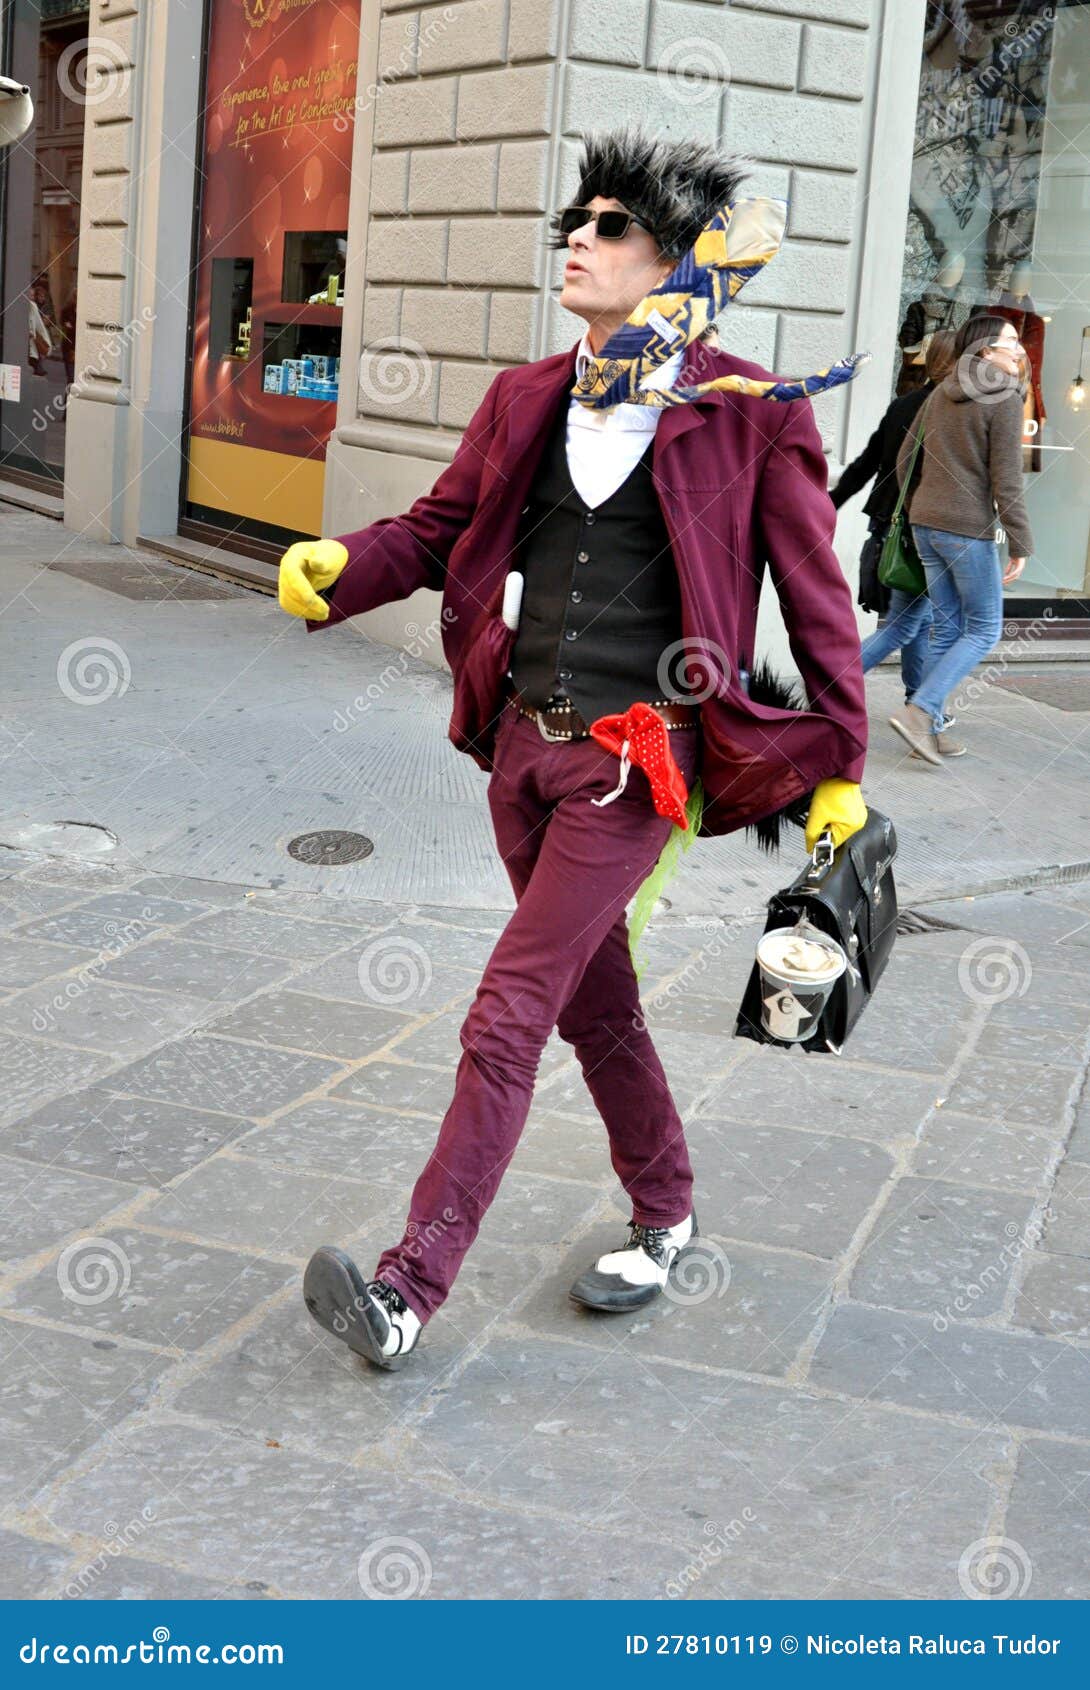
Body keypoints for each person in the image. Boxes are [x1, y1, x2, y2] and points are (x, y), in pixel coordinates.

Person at [277, 125, 871, 1372]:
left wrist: (836, 771)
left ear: (675, 259)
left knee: (506, 1013)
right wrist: (340, 572)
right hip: (522, 758)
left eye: (608, 226)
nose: (577, 241)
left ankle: (406, 1288)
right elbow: (440, 528)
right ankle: (666, 1208)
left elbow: (818, 598)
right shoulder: (527, 397)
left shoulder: (743, 415)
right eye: (575, 222)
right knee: (598, 1009)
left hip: (635, 764)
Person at [888, 312, 1033, 765]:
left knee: (947, 627)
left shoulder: (942, 391)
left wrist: (920, 508)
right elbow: (1006, 479)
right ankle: (921, 712)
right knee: (984, 628)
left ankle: (927, 730)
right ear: (986, 350)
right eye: (1010, 343)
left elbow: (905, 456)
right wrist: (1021, 542)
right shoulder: (1005, 395)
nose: (1019, 350)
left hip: (927, 524)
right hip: (965, 529)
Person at [831, 331, 960, 753]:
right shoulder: (949, 410)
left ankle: (917, 706)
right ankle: (838, 691)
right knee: (907, 624)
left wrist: (829, 503)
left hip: (888, 526)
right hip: (918, 530)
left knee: (914, 622)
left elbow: (867, 463)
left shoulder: (904, 403)